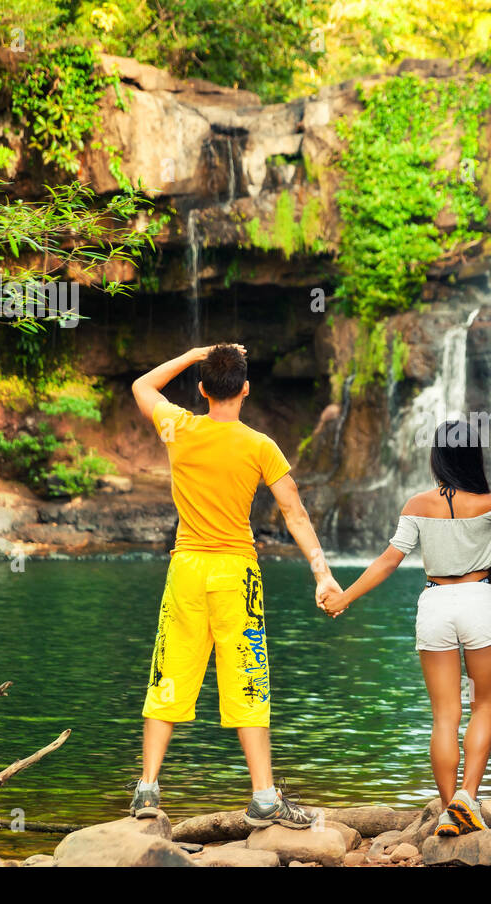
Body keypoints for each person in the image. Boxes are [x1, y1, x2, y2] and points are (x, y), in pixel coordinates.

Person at [128, 343, 343, 827]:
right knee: (249, 679)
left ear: (202, 390)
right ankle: (264, 797)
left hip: (185, 571)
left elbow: (142, 386)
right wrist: (321, 572)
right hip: (235, 576)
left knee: (169, 674)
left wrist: (188, 354)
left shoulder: (178, 427)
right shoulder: (260, 445)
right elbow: (294, 512)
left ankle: (147, 790)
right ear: (246, 390)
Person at [321, 416, 491, 836]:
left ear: (437, 457)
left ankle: (448, 811)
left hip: (435, 606)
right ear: (471, 457)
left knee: (444, 715)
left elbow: (389, 561)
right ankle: (467, 797)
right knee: (484, 705)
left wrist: (345, 597)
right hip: (479, 602)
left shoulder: (417, 506)